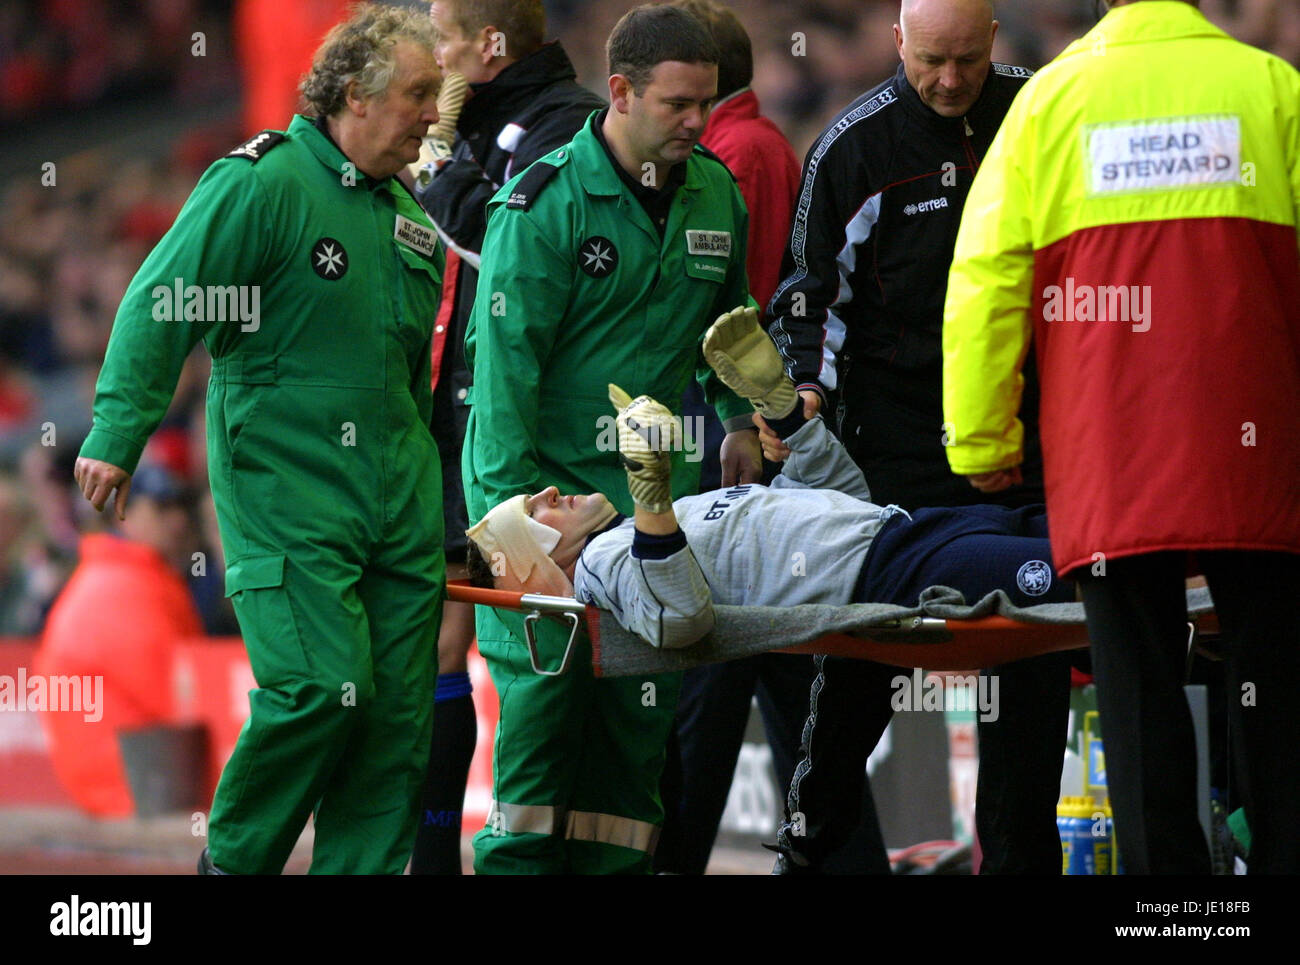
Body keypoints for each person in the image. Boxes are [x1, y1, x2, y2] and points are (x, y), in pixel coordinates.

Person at [72, 4, 447, 875]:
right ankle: (231, 866)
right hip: (289, 498)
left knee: (394, 724)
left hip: (401, 509)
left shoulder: (415, 220)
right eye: (420, 94)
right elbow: (166, 299)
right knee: (317, 688)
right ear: (354, 92)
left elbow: (414, 383)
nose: (436, 114)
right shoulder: (262, 184)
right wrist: (118, 428)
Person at [942, 0, 1300, 873]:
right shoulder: (1272, 88)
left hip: (1112, 452)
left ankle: (1165, 912)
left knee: (1136, 692)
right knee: (1278, 692)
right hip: (1257, 448)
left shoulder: (1051, 102)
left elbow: (985, 284)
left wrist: (983, 441)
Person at [763, 0, 1072, 874]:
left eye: (967, 60)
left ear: (993, 43)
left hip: (1020, 448)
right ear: (898, 42)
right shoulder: (853, 149)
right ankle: (809, 846)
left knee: (1028, 671)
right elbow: (807, 300)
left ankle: (1018, 860)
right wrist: (807, 394)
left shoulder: (1037, 109)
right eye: (931, 59)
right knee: (859, 671)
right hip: (893, 456)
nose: (947, 79)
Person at [461, 3, 762, 873]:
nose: (698, 123)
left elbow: (727, 326)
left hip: (654, 523)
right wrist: (511, 534)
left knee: (632, 765)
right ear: (621, 91)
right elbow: (502, 385)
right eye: (678, 104)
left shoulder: (715, 192)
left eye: (705, 103)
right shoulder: (542, 204)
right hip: (548, 517)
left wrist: (741, 416)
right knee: (539, 755)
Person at [465, 307, 1074, 652]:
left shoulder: (652, 530)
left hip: (906, 533)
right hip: (895, 572)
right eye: (533, 513)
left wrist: (781, 408)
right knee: (1100, 573)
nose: (549, 493)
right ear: (536, 562)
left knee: (1106, 545)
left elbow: (844, 501)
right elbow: (681, 622)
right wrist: (650, 499)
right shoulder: (606, 562)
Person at [654, 0, 886, 876]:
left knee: (715, 674)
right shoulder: (753, 148)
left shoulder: (736, 157)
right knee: (783, 683)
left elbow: (737, 303)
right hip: (757, 444)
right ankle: (840, 854)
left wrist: (744, 419)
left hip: (747, 451)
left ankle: (680, 859)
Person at [406, 0, 606, 876]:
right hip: (456, 421)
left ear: (489, 46)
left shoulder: (565, 123)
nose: (432, 59)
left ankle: (531, 850)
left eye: (443, 42)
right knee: (443, 640)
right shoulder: (472, 121)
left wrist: (438, 171)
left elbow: (510, 243)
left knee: (535, 644)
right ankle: (432, 853)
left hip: (531, 438)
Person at [35, 463, 204, 818]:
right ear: (123, 513)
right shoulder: (123, 587)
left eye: (181, 507)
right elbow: (178, 701)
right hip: (136, 791)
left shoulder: (126, 575)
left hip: (128, 784)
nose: (177, 521)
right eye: (161, 508)